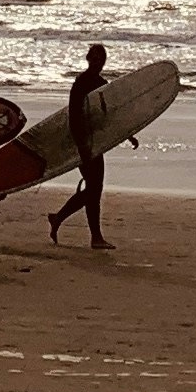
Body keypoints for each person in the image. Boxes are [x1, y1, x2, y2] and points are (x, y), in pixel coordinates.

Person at [47, 40, 114, 249]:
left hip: (95, 143)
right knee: (94, 189)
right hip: (82, 144)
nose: (98, 62)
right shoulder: (81, 83)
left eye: (101, 59)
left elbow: (106, 115)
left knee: (94, 189)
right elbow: (74, 116)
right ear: (88, 59)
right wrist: (81, 146)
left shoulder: (102, 83)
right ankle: (94, 236)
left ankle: (60, 218)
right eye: (95, 58)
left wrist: (128, 134)